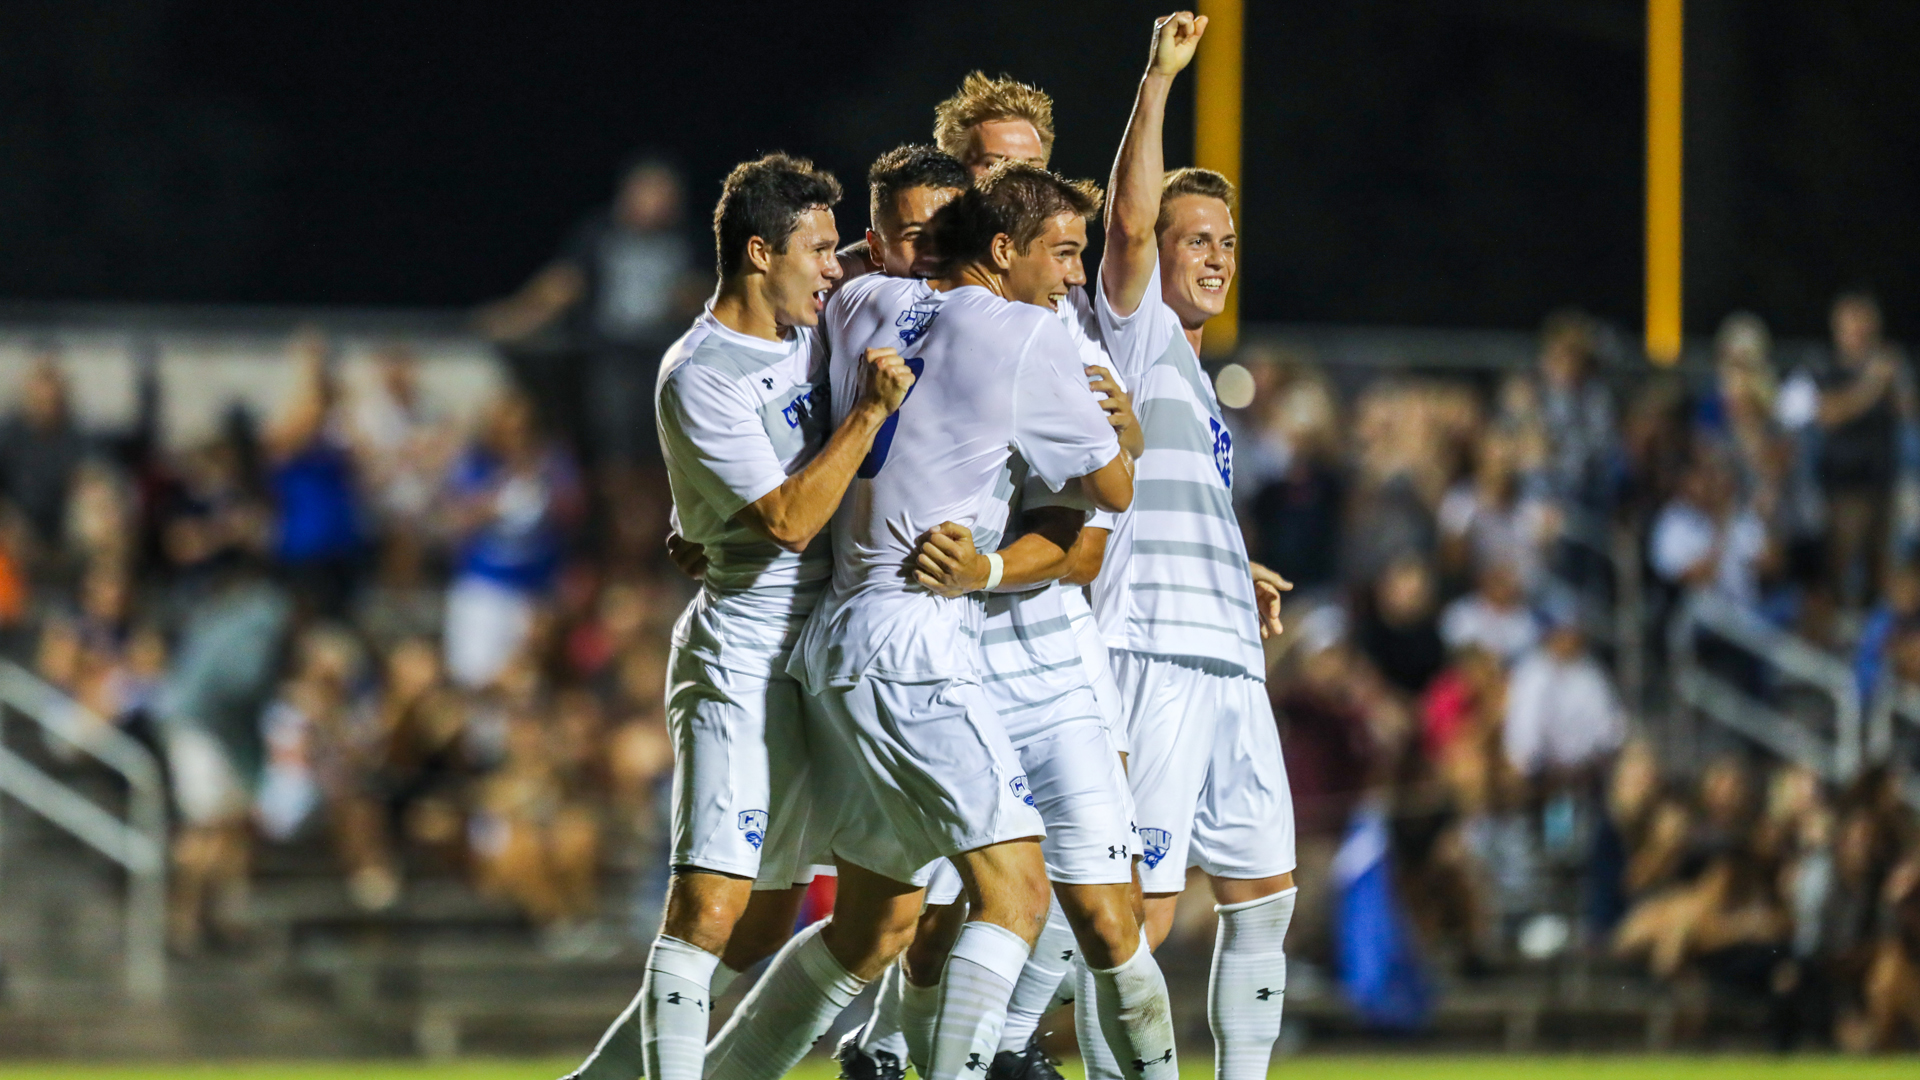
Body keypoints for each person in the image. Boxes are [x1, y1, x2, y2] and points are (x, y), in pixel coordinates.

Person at [703, 164, 1133, 1080]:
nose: (1072, 278)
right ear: (1005, 250)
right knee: (1015, 893)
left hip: (836, 642)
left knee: (873, 925)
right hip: (916, 642)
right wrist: (1114, 429)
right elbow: (1114, 489)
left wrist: (697, 524)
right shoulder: (1028, 333)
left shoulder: (857, 301)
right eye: (1062, 255)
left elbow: (779, 369)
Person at [561, 153, 914, 1080]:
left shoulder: (813, 329)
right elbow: (792, 521)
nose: (833, 267)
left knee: (790, 923)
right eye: (817, 249)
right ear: (760, 253)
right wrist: (869, 417)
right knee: (710, 910)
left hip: (824, 654)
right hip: (745, 657)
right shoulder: (699, 372)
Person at [1091, 13, 1298, 1080]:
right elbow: (1125, 230)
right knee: (1144, 910)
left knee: (1264, 893)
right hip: (1156, 652)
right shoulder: (1136, 332)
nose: (1214, 255)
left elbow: (1172, 501)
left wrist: (1239, 564)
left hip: (1225, 652)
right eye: (1195, 239)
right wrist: (1159, 81)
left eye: (1225, 240)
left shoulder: (1210, 396)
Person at [478, 156, 703, 470]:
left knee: (666, 456)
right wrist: (517, 316)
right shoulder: (598, 233)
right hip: (609, 359)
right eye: (649, 192)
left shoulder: (690, 239)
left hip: (667, 362)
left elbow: (716, 292)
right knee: (615, 455)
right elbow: (563, 283)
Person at [1814, 291, 1913, 606]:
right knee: (1842, 565)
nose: (1860, 334)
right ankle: (1838, 628)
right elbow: (1829, 414)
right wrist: (1872, 383)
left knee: (1883, 568)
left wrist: (1898, 381)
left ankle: (1877, 634)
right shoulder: (1826, 367)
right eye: (1853, 326)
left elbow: (1908, 413)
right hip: (1845, 489)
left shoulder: (1886, 366)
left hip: (1883, 484)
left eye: (1866, 327)